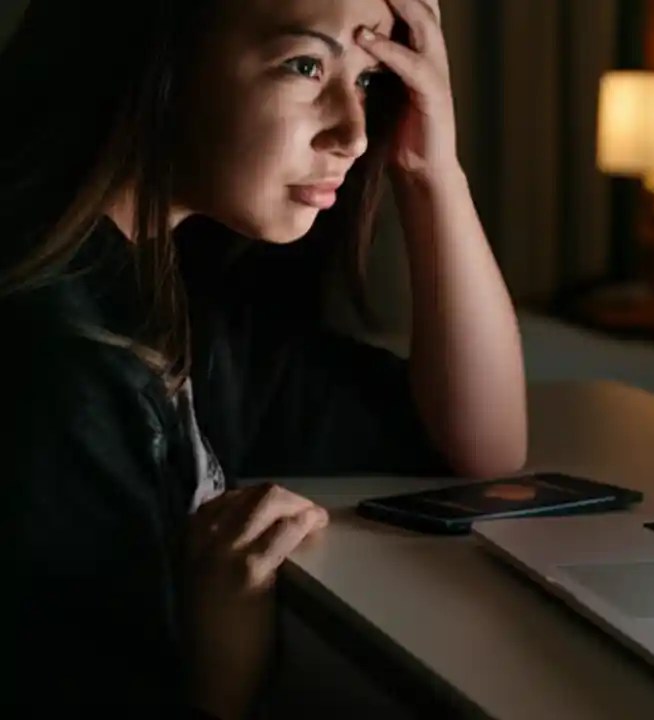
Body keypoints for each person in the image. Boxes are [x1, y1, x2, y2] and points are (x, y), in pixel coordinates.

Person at [0, 0, 527, 716]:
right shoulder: (61, 366)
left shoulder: (167, 296)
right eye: (305, 66)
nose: (355, 134)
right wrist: (224, 665)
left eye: (367, 81)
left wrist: (432, 169)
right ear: (160, 61)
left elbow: (479, 443)